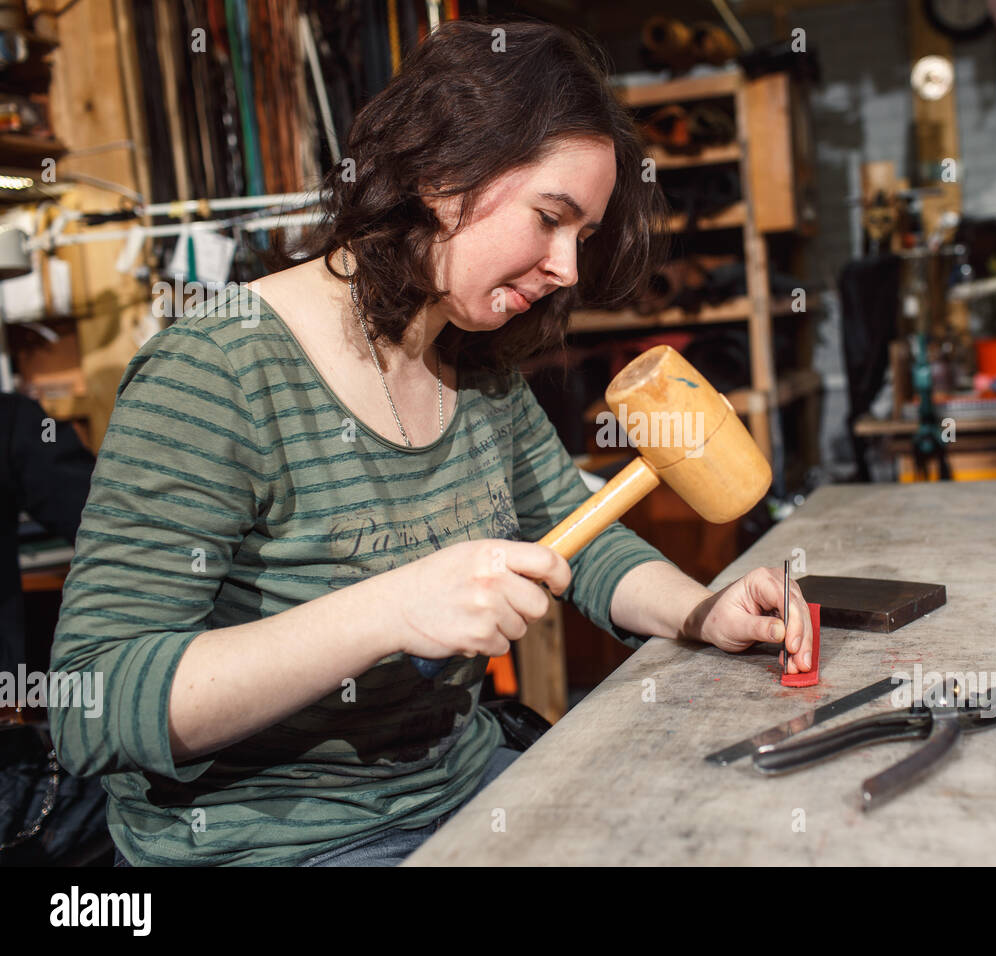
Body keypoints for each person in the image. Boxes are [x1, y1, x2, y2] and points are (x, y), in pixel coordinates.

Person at [48, 19, 813, 867]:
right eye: (550, 219)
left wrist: (701, 611)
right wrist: (389, 610)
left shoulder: (474, 362)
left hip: (465, 794)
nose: (565, 267)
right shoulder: (217, 372)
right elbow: (95, 707)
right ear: (445, 176)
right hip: (274, 846)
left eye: (582, 237)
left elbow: (581, 537)